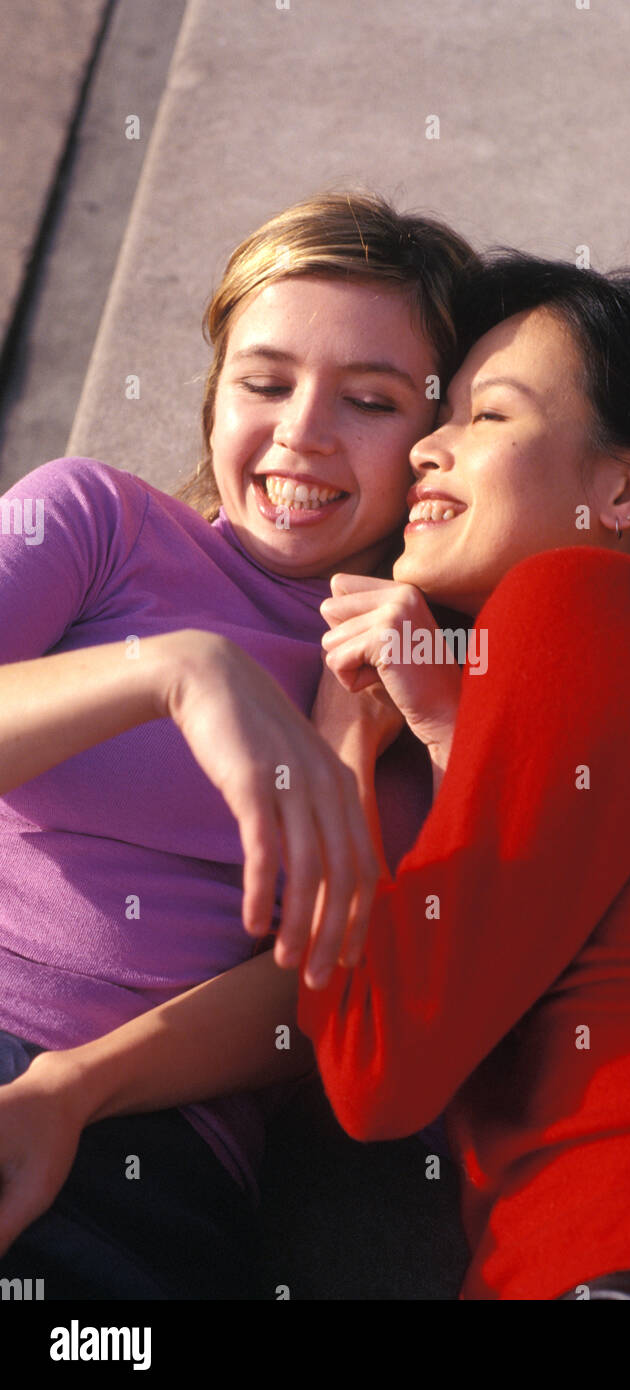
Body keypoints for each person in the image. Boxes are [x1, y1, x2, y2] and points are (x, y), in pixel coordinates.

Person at [3, 255, 630, 1301]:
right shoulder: (590, 679)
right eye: (436, 415)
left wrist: (341, 740)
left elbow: (376, 1067)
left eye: (483, 418)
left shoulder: (577, 599)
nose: (429, 449)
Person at [0, 191, 477, 1297]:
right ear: (216, 393)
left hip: (143, 1146)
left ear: (438, 442)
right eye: (265, 383)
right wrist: (167, 671)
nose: (302, 431)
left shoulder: (420, 688)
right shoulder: (95, 522)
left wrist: (72, 1089)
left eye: (369, 399)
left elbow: (322, 1003)